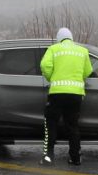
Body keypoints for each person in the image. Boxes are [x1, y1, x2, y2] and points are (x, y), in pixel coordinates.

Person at [39, 27, 93, 166]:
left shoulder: (54, 49)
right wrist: (77, 79)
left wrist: (52, 78)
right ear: (71, 37)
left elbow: (45, 66)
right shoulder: (82, 51)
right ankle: (75, 158)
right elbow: (88, 71)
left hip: (57, 93)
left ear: (59, 38)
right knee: (73, 126)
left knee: (50, 126)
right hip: (75, 95)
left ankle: (48, 159)